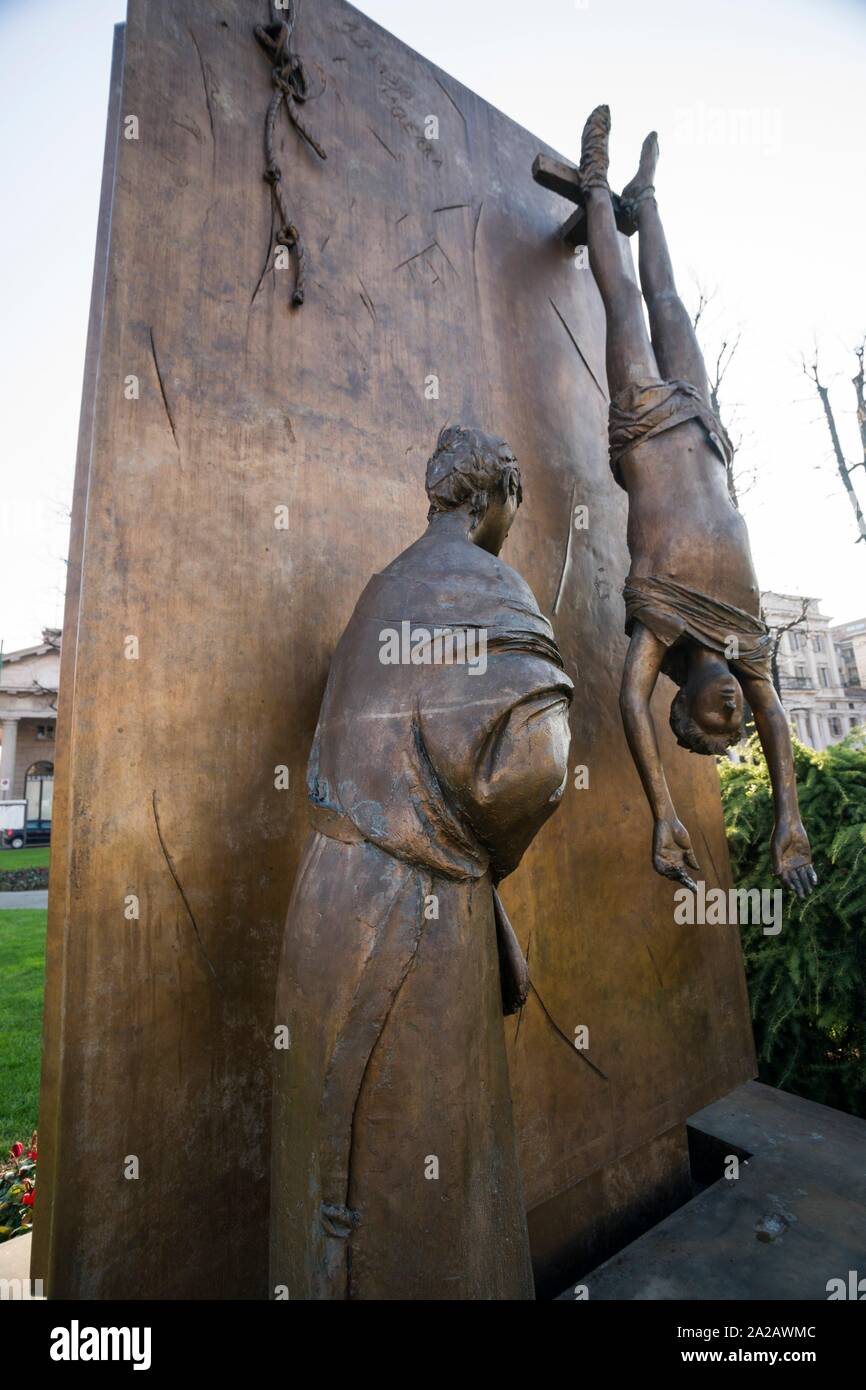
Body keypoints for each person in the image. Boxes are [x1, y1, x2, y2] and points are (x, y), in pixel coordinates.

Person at [270, 426, 573, 1299]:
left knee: (334, 1188)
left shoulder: (379, 593)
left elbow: (380, 770)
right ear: (487, 500)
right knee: (422, 1200)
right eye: (513, 502)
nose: (513, 522)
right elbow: (535, 768)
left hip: (325, 906)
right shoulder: (487, 585)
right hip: (415, 930)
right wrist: (489, 873)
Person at [577, 105, 815, 898]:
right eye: (735, 724)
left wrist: (664, 812)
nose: (736, 721)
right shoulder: (747, 647)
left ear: (682, 711)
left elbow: (625, 700)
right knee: (672, 305)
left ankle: (597, 183)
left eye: (713, 727)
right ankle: (649, 201)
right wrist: (789, 819)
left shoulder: (664, 624)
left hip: (646, 424)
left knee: (627, 309)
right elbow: (779, 722)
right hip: (705, 431)